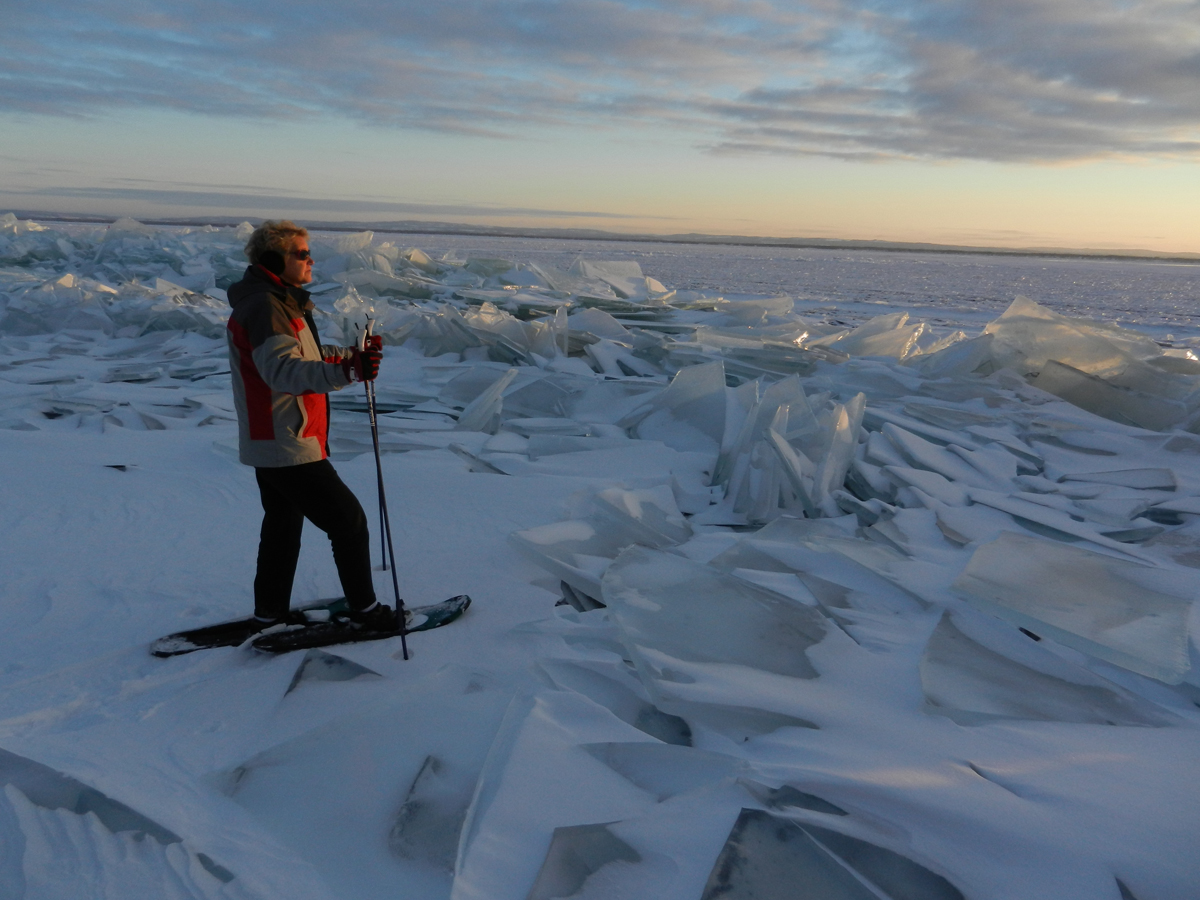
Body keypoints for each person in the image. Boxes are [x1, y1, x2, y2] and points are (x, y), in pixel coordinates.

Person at [226, 220, 394, 631]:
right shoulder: (266, 306)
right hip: (287, 440)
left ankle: (270, 613)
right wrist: (350, 373)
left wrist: (351, 355)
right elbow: (283, 371)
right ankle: (367, 613)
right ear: (273, 259)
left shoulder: (278, 302)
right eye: (301, 253)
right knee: (348, 522)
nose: (310, 259)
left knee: (282, 529)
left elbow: (310, 354)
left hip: (276, 437)